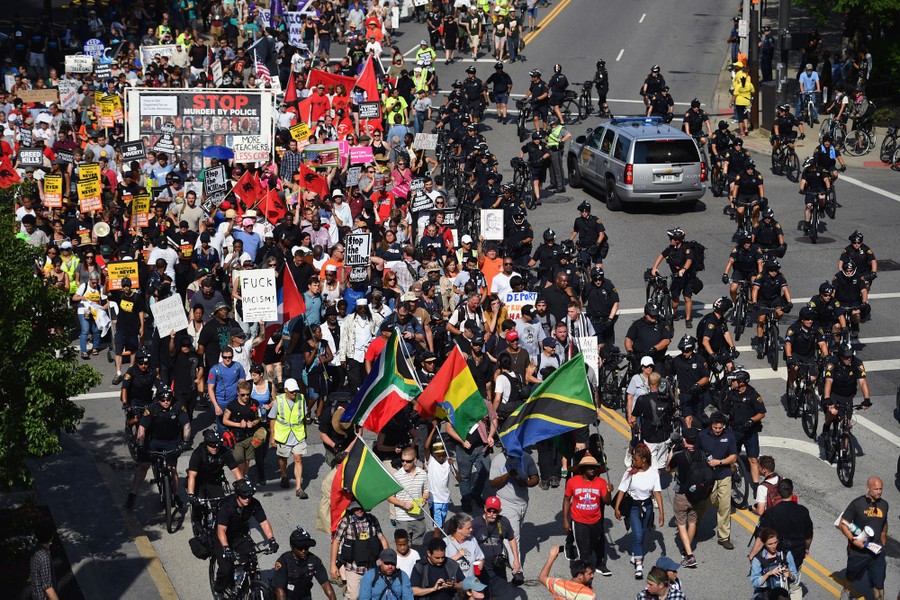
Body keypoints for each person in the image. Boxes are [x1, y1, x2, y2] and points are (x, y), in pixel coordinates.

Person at [748, 479, 814, 600]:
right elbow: (808, 536)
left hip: (778, 558)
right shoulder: (803, 511)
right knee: (793, 585)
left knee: (774, 588)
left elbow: (762, 537)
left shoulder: (772, 513)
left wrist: (752, 554)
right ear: (792, 491)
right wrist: (806, 549)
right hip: (797, 554)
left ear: (778, 493)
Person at [126, 389, 190, 510]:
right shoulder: (151, 409)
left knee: (173, 468)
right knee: (144, 465)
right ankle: (133, 493)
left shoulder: (178, 407)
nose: (166, 402)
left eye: (168, 400)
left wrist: (185, 441)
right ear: (158, 400)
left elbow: (186, 425)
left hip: (171, 441)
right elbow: (142, 428)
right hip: (154, 441)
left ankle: (176, 495)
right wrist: (140, 443)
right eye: (163, 400)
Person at [213, 480, 278, 599]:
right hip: (223, 538)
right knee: (226, 567)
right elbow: (221, 530)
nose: (247, 499)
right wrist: (226, 548)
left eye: (250, 496)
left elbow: (263, 522)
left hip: (240, 536)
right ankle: (219, 589)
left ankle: (250, 587)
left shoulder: (254, 504)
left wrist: (271, 539)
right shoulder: (227, 506)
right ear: (237, 495)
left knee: (252, 561)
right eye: (244, 496)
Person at [614, 443, 664, 579]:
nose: (633, 462)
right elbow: (622, 490)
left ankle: (636, 554)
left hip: (647, 507)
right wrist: (617, 507)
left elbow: (657, 493)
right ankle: (639, 565)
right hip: (634, 507)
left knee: (641, 534)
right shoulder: (630, 473)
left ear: (644, 460)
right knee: (636, 534)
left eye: (635, 459)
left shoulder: (654, 474)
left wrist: (661, 514)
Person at [664, 427, 709, 568]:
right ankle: (687, 548)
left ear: (684, 440)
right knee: (693, 521)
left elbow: (667, 469)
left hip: (682, 494)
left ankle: (689, 555)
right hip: (698, 494)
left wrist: (671, 452)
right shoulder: (703, 455)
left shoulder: (679, 456)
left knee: (681, 523)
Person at [837, 476, 888, 600]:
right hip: (858, 552)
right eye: (876, 489)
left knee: (879, 584)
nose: (879, 492)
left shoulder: (884, 504)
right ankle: (846, 591)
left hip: (876, 552)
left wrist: (883, 542)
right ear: (868, 488)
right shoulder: (857, 503)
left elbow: (884, 524)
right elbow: (842, 523)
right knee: (850, 577)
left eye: (881, 489)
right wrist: (854, 541)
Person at [563, 453, 613, 576]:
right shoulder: (572, 482)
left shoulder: (601, 482)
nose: (592, 469)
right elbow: (566, 500)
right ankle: (581, 574)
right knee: (584, 551)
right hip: (579, 521)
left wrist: (609, 492)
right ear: (582, 469)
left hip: (596, 521)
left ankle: (586, 564)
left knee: (591, 546)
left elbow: (607, 501)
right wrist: (565, 519)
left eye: (595, 467)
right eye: (589, 467)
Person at [330, 501, 389, 599]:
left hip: (371, 567)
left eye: (361, 507)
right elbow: (336, 542)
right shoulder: (345, 522)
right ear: (351, 509)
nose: (359, 510)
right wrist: (332, 565)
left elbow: (382, 538)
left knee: (373, 594)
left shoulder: (372, 520)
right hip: (353, 568)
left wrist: (387, 560)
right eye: (356, 508)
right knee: (354, 595)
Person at [698, 412, 738, 550]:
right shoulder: (703, 435)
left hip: (724, 475)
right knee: (704, 503)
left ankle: (724, 537)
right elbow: (697, 453)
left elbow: (733, 456)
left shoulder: (729, 436)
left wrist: (719, 462)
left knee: (725, 507)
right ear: (711, 426)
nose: (717, 430)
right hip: (707, 477)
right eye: (715, 428)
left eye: (720, 428)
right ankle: (694, 525)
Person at [720, 369, 766, 487]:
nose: (732, 382)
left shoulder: (753, 395)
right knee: (732, 456)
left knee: (753, 459)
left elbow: (761, 413)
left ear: (741, 383)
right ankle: (732, 475)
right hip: (735, 431)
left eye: (734, 380)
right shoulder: (731, 394)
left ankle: (756, 485)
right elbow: (724, 411)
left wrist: (751, 420)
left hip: (750, 432)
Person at [471, 496, 522, 596]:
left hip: (498, 567)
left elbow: (511, 539)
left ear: (500, 511)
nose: (492, 514)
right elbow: (466, 542)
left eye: (495, 511)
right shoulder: (475, 524)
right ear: (485, 508)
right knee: (482, 595)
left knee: (497, 595)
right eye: (489, 510)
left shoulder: (503, 522)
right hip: (481, 568)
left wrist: (516, 559)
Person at [822, 345, 871, 448]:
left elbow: (862, 382)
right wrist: (827, 398)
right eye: (845, 357)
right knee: (833, 411)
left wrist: (866, 399)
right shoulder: (833, 362)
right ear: (840, 356)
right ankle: (826, 426)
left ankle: (844, 452)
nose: (848, 359)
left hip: (848, 395)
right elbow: (828, 381)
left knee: (847, 425)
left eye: (850, 356)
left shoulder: (857, 363)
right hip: (833, 393)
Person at [268, 378, 309, 498]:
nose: (294, 393)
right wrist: (272, 436)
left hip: (298, 434)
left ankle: (299, 488)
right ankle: (284, 474)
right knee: (283, 458)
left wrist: (305, 431)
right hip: (283, 435)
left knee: (298, 459)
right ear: (285, 390)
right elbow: (272, 418)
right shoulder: (278, 401)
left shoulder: (301, 399)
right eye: (292, 391)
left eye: (296, 391)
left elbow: (304, 417)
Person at [271, 526, 337, 600]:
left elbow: (325, 583)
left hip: (305, 596)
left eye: (306, 548)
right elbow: (280, 590)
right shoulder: (283, 562)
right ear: (292, 547)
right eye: (300, 548)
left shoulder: (314, 561)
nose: (303, 551)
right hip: (287, 596)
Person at [650, 228, 696, 327]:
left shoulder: (686, 248)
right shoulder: (670, 248)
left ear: (677, 240)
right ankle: (674, 313)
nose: (670, 240)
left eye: (671, 238)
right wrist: (654, 268)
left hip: (687, 277)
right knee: (675, 299)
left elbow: (689, 261)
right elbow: (661, 256)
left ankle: (688, 320)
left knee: (687, 297)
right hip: (676, 278)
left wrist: (683, 269)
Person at [631, 372, 676, 469]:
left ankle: (652, 483)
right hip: (664, 437)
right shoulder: (667, 400)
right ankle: (657, 483)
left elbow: (633, 419)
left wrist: (636, 429)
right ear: (660, 383)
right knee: (659, 466)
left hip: (649, 438)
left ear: (648, 382)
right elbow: (672, 414)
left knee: (651, 467)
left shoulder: (642, 399)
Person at [388, 446, 430, 546]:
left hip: (418, 517)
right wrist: (403, 504)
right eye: (402, 461)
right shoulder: (397, 476)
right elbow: (389, 497)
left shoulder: (422, 474)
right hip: (403, 519)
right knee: (404, 547)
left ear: (415, 460)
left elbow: (427, 490)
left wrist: (424, 499)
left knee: (417, 547)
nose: (404, 463)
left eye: (408, 461)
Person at [750, 528, 797, 599]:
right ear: (764, 543)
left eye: (775, 542)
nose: (774, 546)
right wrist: (769, 573)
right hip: (765, 594)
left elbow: (795, 577)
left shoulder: (785, 554)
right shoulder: (758, 559)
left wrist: (790, 575)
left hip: (782, 594)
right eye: (770, 544)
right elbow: (755, 583)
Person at [443, 513, 485, 579]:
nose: (471, 530)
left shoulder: (472, 540)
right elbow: (441, 566)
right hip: (454, 585)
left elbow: (480, 557)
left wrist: (481, 563)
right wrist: (456, 557)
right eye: (468, 528)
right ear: (458, 529)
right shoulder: (445, 543)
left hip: (471, 582)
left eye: (471, 527)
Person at [30, 522, 58, 600]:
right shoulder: (44, 558)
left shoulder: (36, 550)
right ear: (51, 537)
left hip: (36, 594)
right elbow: (48, 587)